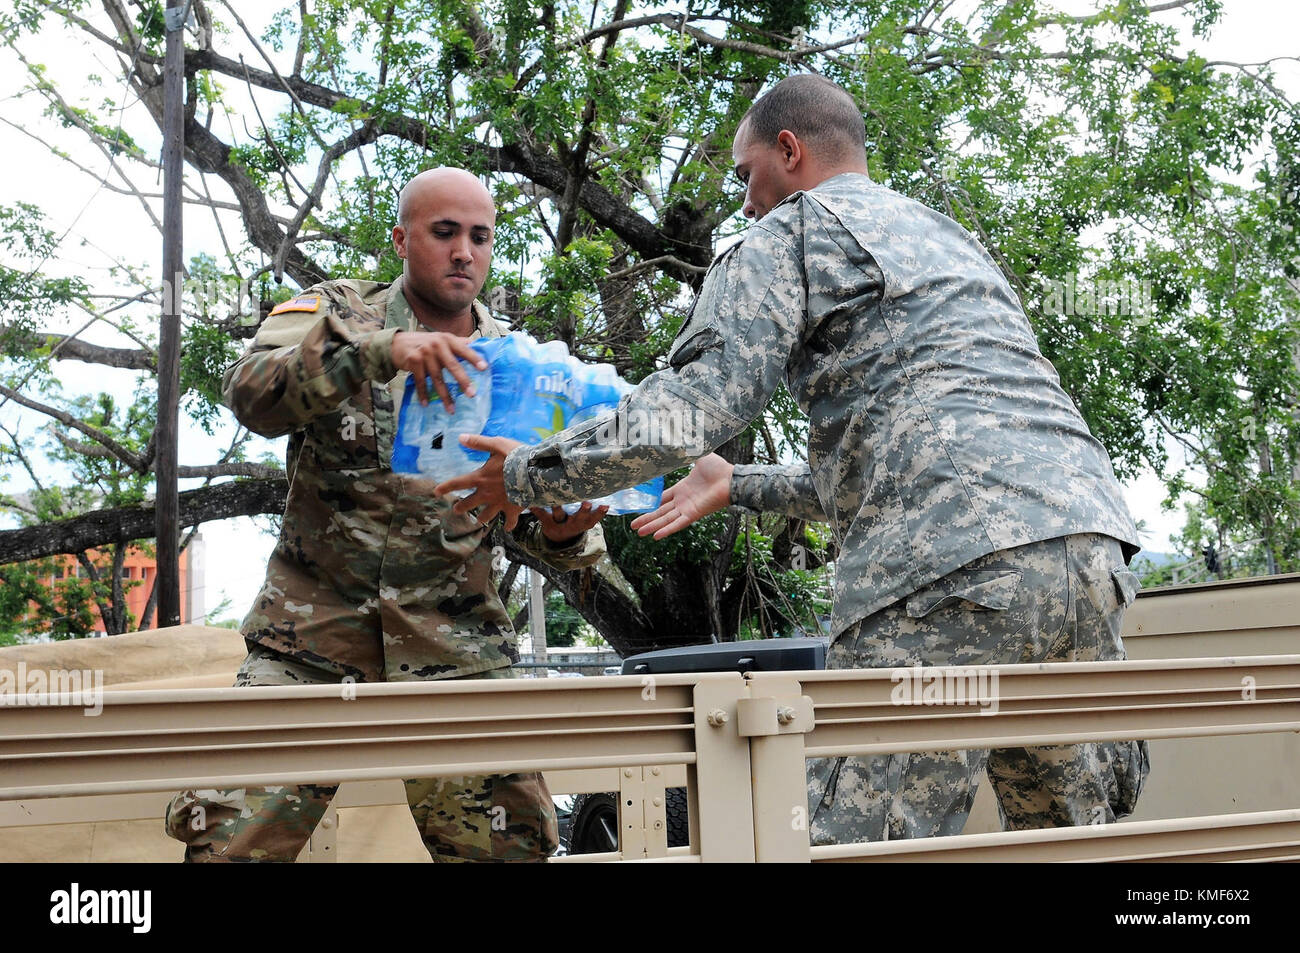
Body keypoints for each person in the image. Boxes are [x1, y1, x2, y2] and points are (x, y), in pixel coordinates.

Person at [435, 75, 1148, 843]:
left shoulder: (793, 234)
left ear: (790, 150)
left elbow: (693, 407)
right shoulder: (948, 240)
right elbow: (905, 479)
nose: (744, 202)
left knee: (855, 848)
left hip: (948, 586)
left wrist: (526, 474)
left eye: (746, 175)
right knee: (1071, 843)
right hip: (1089, 557)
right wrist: (736, 482)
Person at [164, 167, 608, 863]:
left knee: (510, 849)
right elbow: (250, 395)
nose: (464, 250)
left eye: (480, 236)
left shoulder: (521, 367)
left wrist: (566, 529)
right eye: (444, 232)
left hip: (455, 651)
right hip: (309, 642)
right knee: (226, 843)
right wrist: (373, 354)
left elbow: (565, 533)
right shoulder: (335, 311)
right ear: (402, 239)